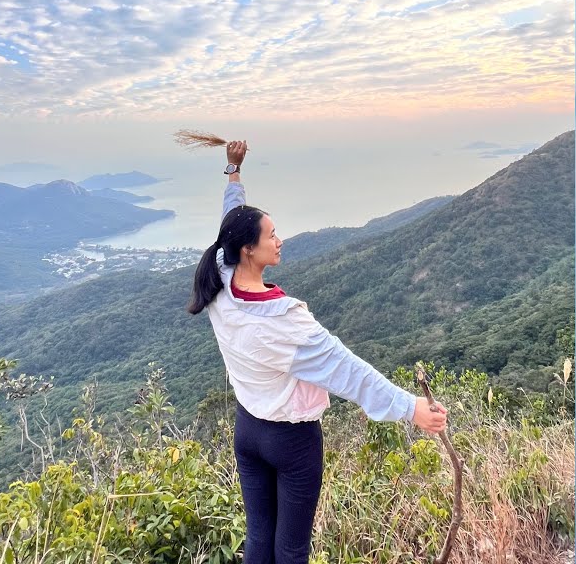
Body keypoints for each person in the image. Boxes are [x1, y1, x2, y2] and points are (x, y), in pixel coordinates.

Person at [187, 141, 447, 564]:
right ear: (249, 250)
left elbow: (228, 226)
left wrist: (233, 173)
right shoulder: (283, 320)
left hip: (248, 430)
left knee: (259, 539)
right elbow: (348, 371)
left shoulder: (219, 278)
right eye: (272, 234)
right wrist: (409, 407)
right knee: (290, 549)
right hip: (291, 440)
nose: (280, 239)